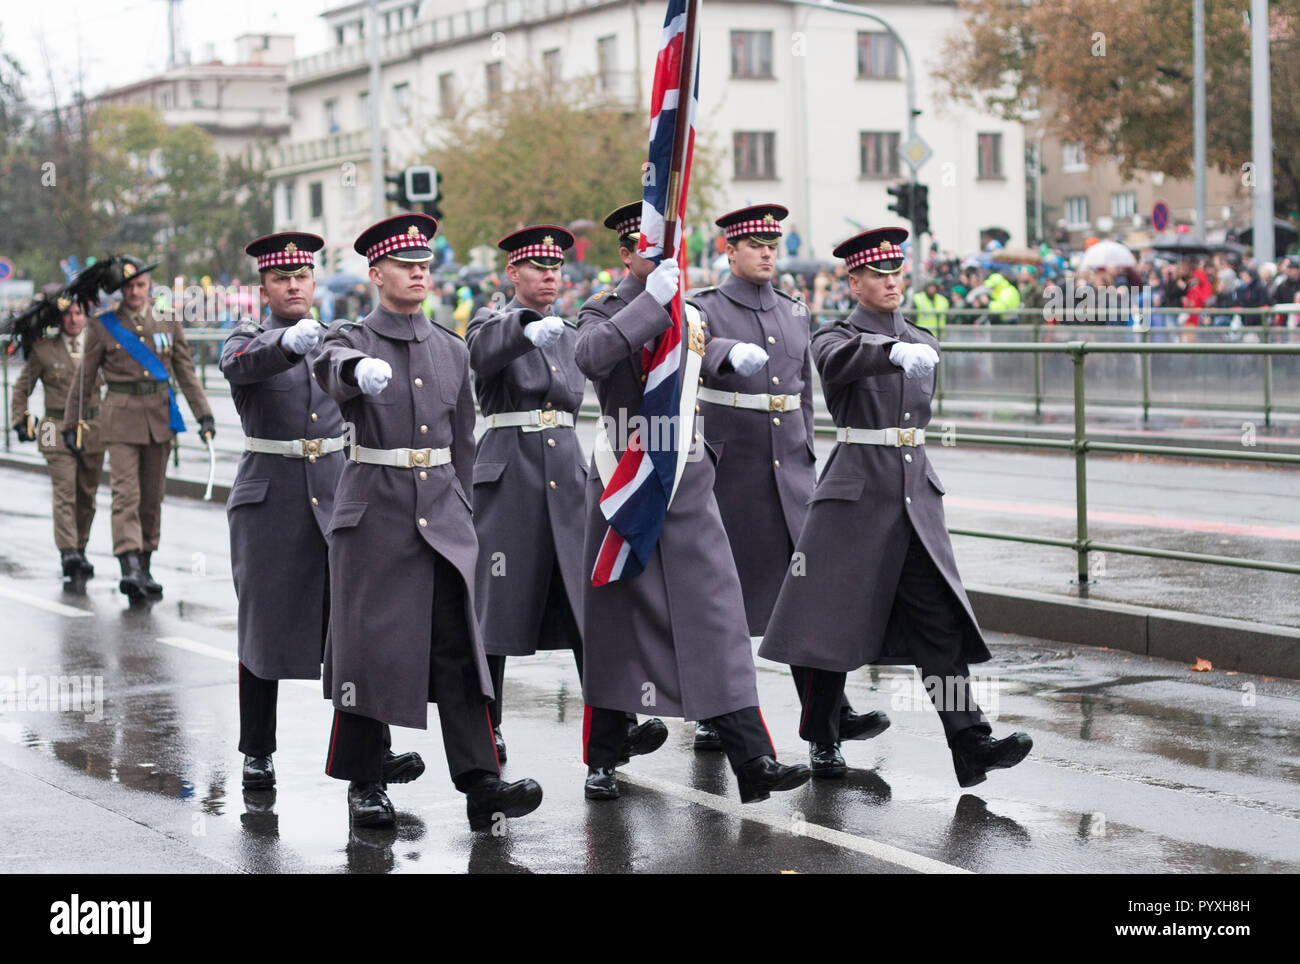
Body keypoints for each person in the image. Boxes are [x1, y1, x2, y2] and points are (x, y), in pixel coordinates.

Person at [760, 226, 1033, 788]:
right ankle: (824, 739)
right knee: (829, 625)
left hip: (912, 497)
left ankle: (970, 742)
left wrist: (907, 345)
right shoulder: (834, 336)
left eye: (895, 273)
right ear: (854, 281)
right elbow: (840, 364)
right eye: (877, 275)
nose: (890, 282)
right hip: (855, 497)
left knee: (938, 625)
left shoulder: (922, 334)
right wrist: (890, 351)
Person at [574, 203, 811, 804]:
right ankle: (604, 757)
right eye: (645, 249)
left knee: (717, 617)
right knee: (619, 621)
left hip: (687, 473)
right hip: (625, 473)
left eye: (665, 248)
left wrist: (727, 357)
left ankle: (753, 761)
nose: (658, 258)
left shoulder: (688, 308)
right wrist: (649, 306)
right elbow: (589, 357)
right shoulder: (605, 307)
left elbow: (697, 359)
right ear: (626, 254)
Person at [313, 214, 542, 830]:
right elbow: (327, 361)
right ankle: (365, 783)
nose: (418, 271)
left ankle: (481, 782)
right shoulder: (352, 336)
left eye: (424, 263)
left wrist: (461, 512)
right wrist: (353, 372)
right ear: (376, 273)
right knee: (369, 652)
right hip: (374, 515)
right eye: (404, 263)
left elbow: (462, 442)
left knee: (460, 654)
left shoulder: (448, 347)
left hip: (441, 516)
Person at [688, 203, 887, 776]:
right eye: (755, 245)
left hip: (789, 477)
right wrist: (723, 353)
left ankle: (826, 731)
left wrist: (804, 454)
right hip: (729, 476)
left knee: (810, 606)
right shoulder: (705, 307)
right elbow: (686, 362)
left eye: (772, 243)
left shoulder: (795, 311)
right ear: (730, 250)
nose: (767, 252)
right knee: (718, 606)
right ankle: (713, 711)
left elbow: (800, 394)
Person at [220, 231, 423, 793]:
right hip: (270, 498)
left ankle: (371, 755)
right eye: (282, 278)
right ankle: (257, 750)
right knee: (263, 632)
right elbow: (239, 364)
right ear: (264, 287)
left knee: (356, 631)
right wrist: (287, 343)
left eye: (302, 276)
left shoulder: (339, 339)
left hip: (336, 493)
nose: (294, 285)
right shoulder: (248, 337)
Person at [465, 223, 666, 764]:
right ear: (513, 273)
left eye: (555, 268)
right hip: (510, 477)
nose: (548, 275)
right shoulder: (492, 320)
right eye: (536, 267)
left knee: (588, 610)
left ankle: (614, 728)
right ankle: (485, 726)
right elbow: (482, 352)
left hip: (566, 473)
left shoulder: (574, 328)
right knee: (494, 614)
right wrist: (522, 329)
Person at [63, 255, 214, 600]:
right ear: (121, 290)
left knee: (151, 497)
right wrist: (72, 422)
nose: (135, 291)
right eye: (129, 286)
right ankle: (128, 565)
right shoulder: (103, 326)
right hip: (119, 420)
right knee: (125, 495)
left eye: (140, 285)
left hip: (160, 418)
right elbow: (84, 379)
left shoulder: (168, 322)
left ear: (149, 288)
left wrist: (203, 414)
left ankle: (145, 563)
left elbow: (186, 373)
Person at [9, 284, 104, 581]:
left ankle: (81, 547)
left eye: (79, 313)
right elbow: (21, 388)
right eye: (68, 314)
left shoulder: (99, 345)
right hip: (53, 426)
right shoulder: (43, 350)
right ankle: (69, 552)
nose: (74, 320)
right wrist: (20, 418)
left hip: (92, 427)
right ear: (59, 318)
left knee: (87, 495)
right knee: (64, 491)